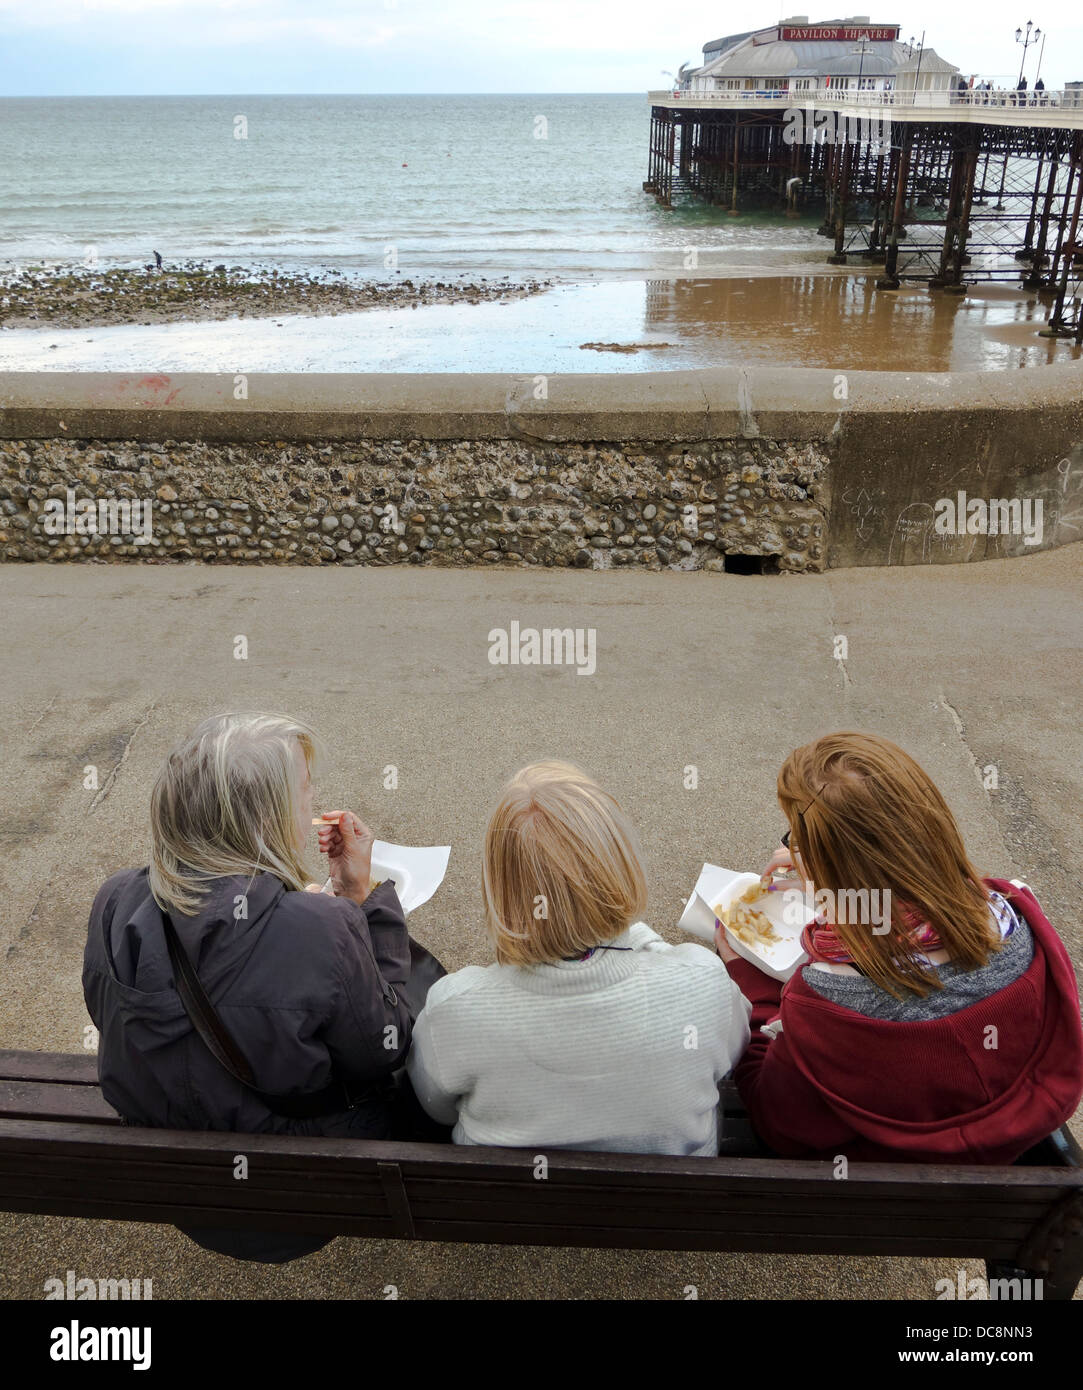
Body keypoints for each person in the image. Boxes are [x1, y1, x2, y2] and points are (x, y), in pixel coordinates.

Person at [83, 712, 444, 1263]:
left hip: (181, 1188)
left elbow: (106, 1008)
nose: (313, 800)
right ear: (263, 819)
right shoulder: (319, 929)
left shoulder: (115, 899)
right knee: (424, 998)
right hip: (299, 1195)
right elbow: (383, 1049)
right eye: (303, 791)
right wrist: (358, 903)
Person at [716, 731, 1083, 1164]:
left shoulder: (823, 1003)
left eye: (799, 836)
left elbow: (778, 1126)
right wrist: (826, 875)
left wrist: (749, 983)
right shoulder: (1020, 916)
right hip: (1013, 1165)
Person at [406, 761, 751, 1155]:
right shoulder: (701, 981)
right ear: (619, 868)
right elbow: (736, 1047)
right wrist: (635, 933)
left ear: (501, 887)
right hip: (674, 1212)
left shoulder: (456, 1007)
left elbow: (435, 1108)